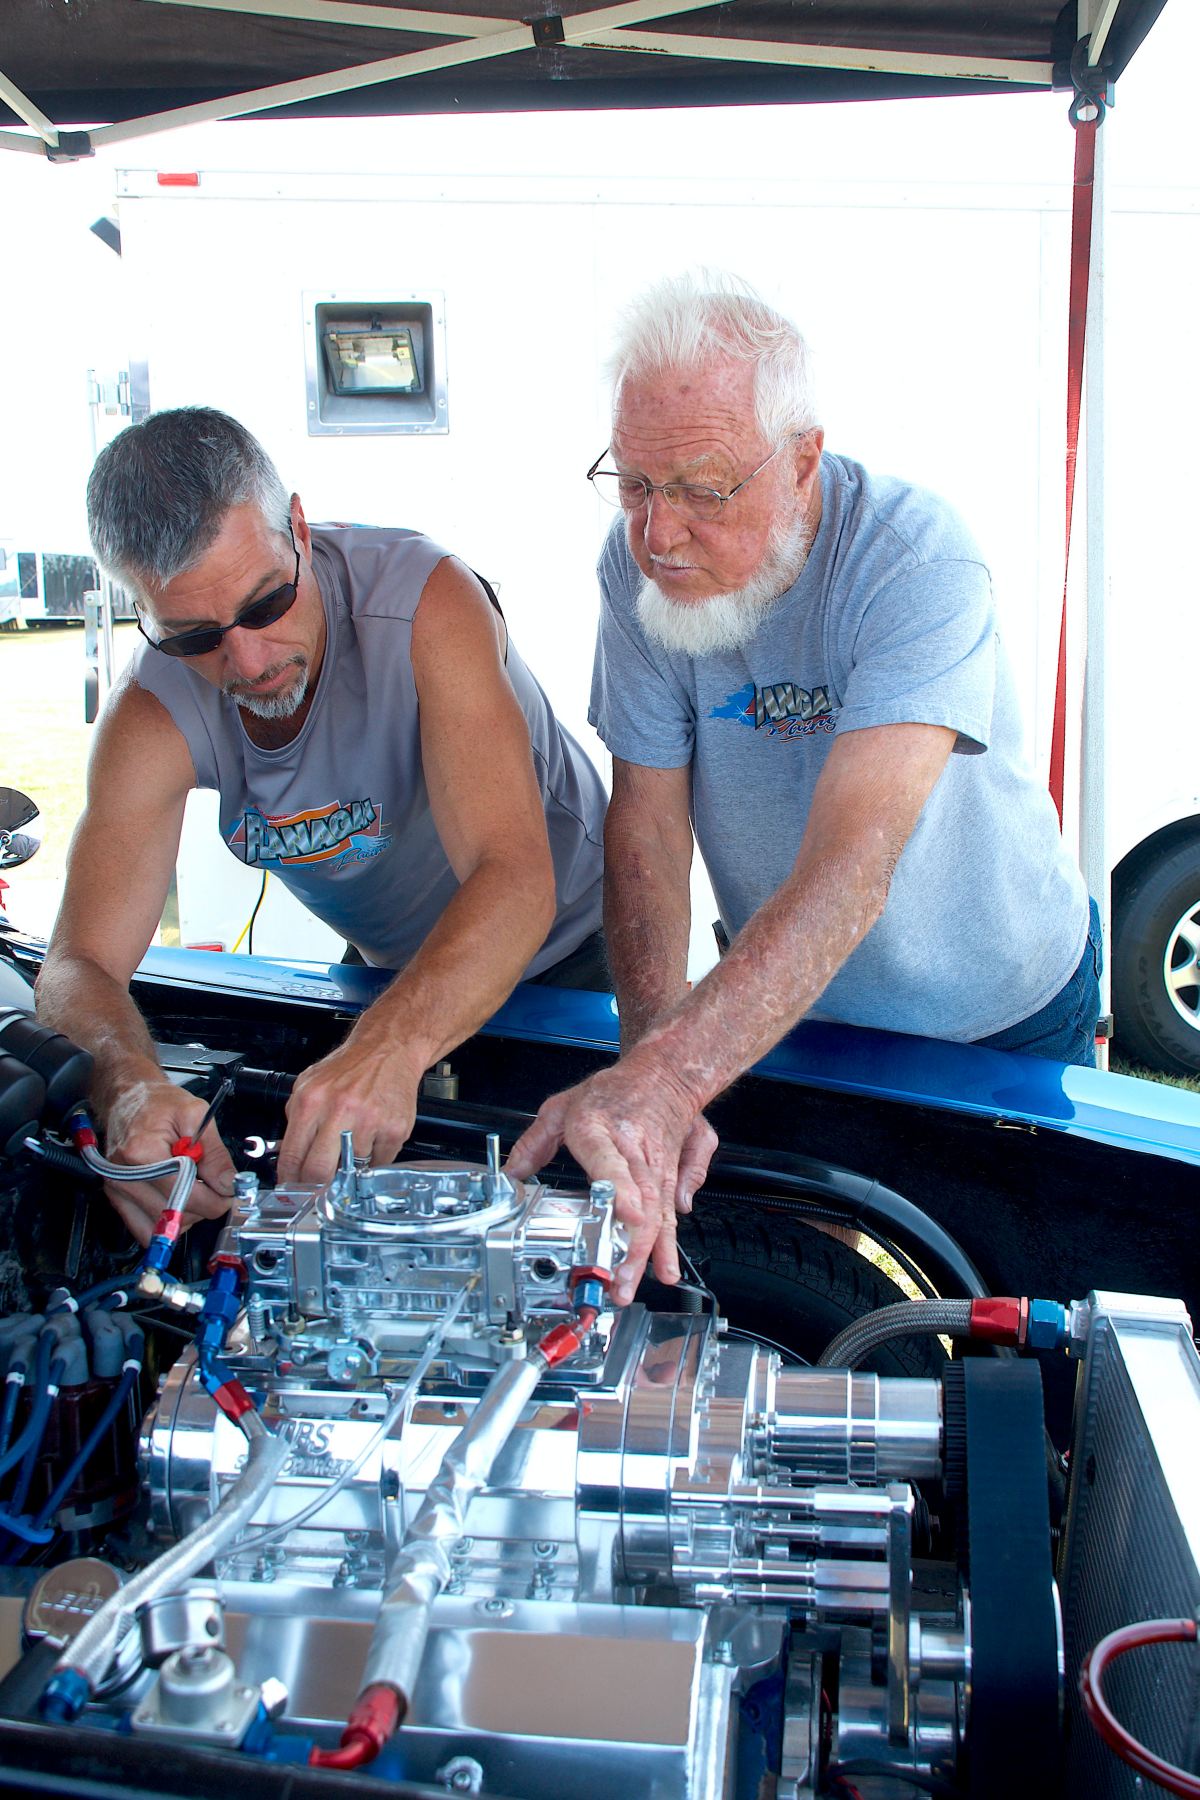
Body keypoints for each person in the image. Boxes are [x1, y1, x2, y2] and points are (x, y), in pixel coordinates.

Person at [508, 274, 1100, 1305]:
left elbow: (852, 864)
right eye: (635, 484)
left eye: (702, 489)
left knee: (1025, 1315)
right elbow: (647, 831)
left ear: (802, 460)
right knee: (789, 1288)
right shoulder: (635, 567)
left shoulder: (913, 558)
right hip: (795, 1011)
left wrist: (668, 1081)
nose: (660, 534)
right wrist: (653, 1068)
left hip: (1001, 1011)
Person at [36, 407, 606, 1244]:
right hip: (389, 965)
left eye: (266, 602)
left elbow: (515, 879)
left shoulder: (423, 603)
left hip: (575, 953)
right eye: (195, 636)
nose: (249, 661)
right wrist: (126, 1084)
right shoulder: (151, 708)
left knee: (583, 1231)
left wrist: (390, 1048)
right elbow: (76, 963)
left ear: (299, 528)